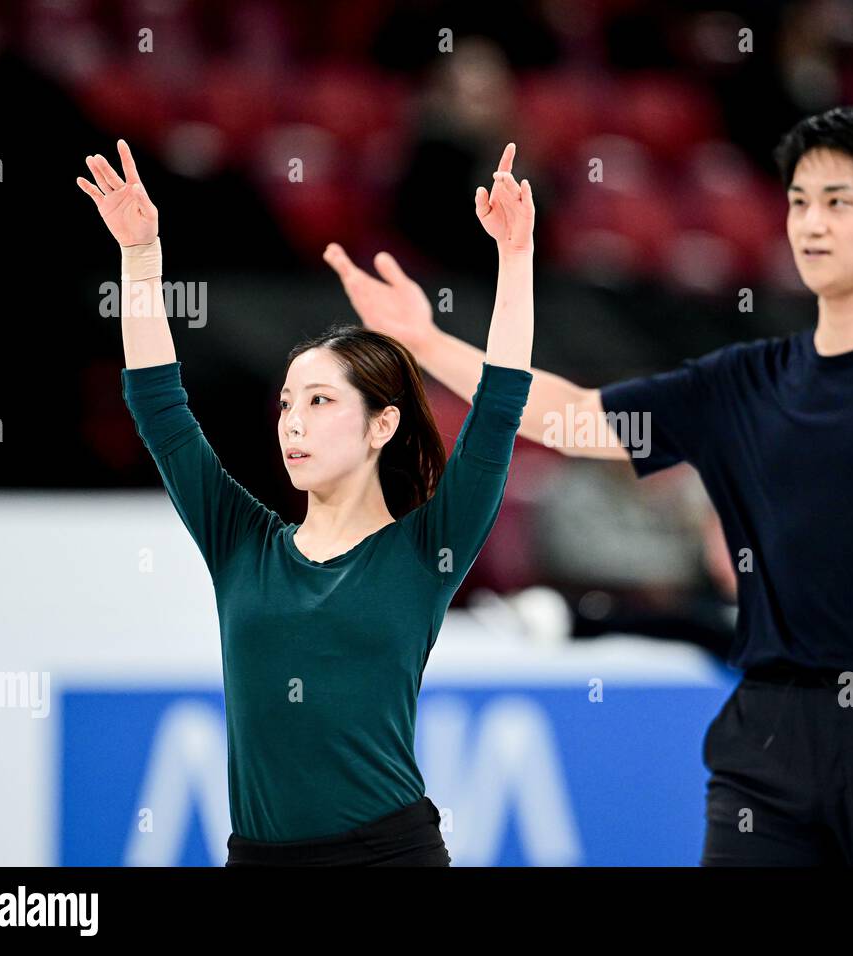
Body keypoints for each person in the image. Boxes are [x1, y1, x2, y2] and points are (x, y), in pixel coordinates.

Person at [322, 105, 853, 866]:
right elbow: (568, 417)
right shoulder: (741, 383)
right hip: (769, 746)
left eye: (838, 203)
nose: (810, 224)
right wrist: (428, 345)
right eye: (798, 203)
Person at [77, 139, 535, 865]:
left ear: (382, 424)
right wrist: (140, 256)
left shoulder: (425, 549)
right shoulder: (239, 542)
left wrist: (516, 256)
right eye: (288, 402)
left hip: (390, 856)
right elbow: (160, 407)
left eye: (320, 401)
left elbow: (501, 404)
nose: (293, 420)